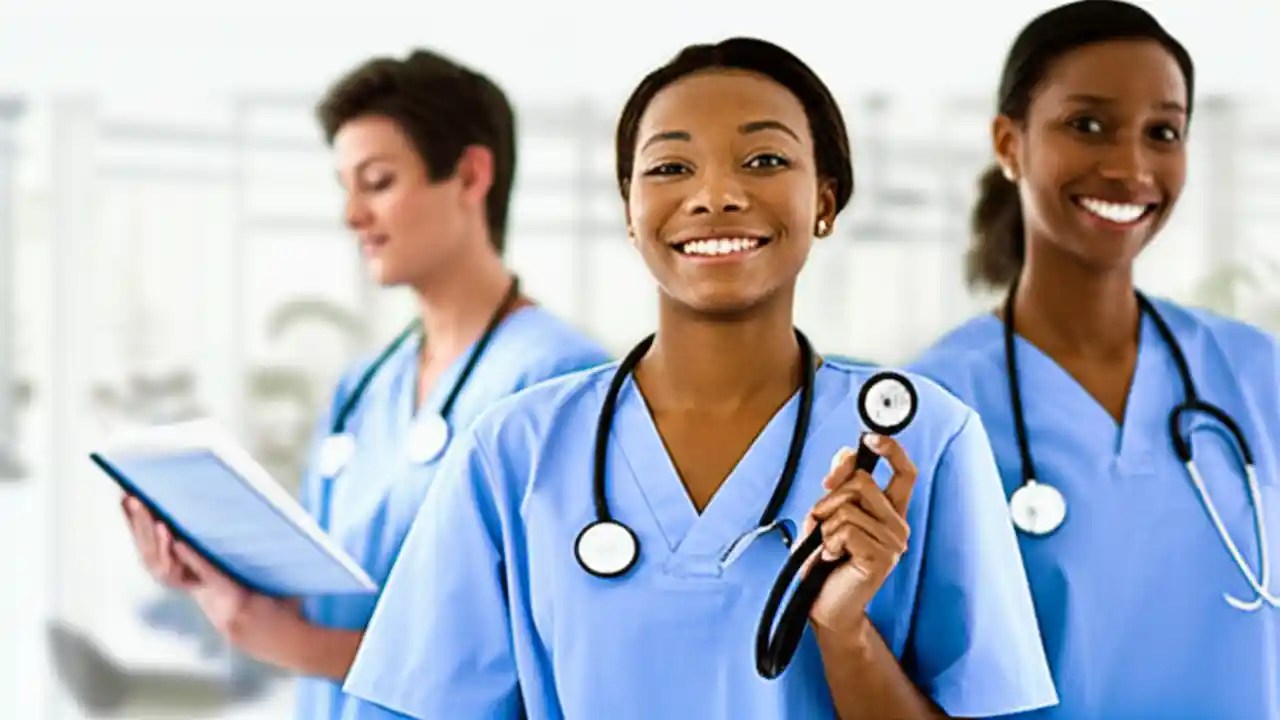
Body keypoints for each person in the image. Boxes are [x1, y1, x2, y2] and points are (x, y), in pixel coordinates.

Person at [340, 37, 1056, 720]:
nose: (716, 195)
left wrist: (845, 632)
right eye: (671, 168)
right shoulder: (515, 450)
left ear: (826, 201)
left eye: (766, 159)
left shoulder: (921, 439)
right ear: (629, 210)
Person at [118, 48, 611, 720]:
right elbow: (322, 593)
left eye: (377, 181)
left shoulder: (563, 382)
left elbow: (549, 652)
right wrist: (217, 583)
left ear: (470, 175)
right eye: (344, 187)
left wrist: (295, 645)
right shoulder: (363, 389)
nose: (352, 215)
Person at [909, 2, 1280, 718]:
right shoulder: (937, 406)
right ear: (1009, 143)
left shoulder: (1256, 373)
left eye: (1162, 132)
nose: (1130, 165)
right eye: (1088, 125)